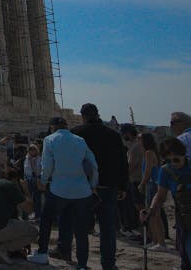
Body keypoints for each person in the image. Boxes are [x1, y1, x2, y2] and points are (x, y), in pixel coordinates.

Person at [28, 117, 99, 269]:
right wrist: (93, 185)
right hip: (82, 191)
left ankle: (42, 253)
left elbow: (47, 164)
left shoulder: (50, 139)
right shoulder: (79, 140)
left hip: (59, 189)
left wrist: (43, 180)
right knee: (81, 230)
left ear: (52, 127)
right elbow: (93, 164)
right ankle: (82, 264)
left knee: (46, 220)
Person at [71, 103, 129, 270]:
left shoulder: (76, 134)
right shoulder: (113, 135)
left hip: (83, 187)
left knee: (81, 228)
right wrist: (123, 186)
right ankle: (108, 264)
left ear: (83, 116)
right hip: (107, 186)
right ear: (97, 114)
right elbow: (122, 162)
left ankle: (82, 264)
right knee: (107, 229)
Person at [141, 137, 191, 270]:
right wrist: (150, 210)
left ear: (184, 154)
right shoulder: (166, 171)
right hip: (187, 220)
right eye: (168, 160)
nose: (173, 163)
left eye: (176, 159)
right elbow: (160, 196)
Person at [139, 132, 167, 250]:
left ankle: (161, 242)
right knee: (151, 214)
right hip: (153, 184)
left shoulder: (149, 153)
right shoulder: (153, 152)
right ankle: (156, 240)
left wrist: (142, 183)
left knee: (154, 214)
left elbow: (148, 170)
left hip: (153, 184)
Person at [120, 123, 144, 237]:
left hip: (135, 179)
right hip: (139, 179)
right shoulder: (138, 145)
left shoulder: (135, 147)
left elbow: (131, 165)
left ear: (128, 133)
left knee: (136, 207)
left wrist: (123, 178)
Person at [24, 143, 42, 219]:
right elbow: (25, 170)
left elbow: (41, 169)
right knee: (28, 198)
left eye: (33, 149)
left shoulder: (40, 159)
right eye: (30, 149)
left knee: (37, 198)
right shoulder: (26, 159)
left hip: (37, 179)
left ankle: (37, 215)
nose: (32, 151)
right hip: (28, 179)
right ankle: (26, 216)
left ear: (36, 150)